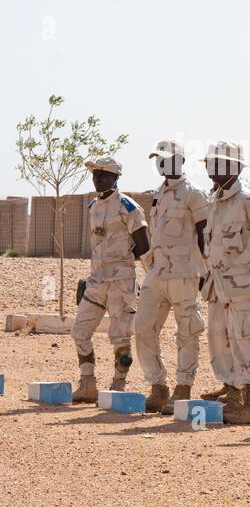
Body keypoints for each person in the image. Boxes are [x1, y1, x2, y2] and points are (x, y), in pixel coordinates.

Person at [200, 141, 250, 425]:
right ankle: (232, 397)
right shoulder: (214, 201)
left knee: (246, 343)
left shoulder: (248, 201)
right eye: (210, 163)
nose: (212, 168)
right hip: (218, 288)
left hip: (245, 290)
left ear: (234, 167)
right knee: (220, 341)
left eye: (219, 163)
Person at [133, 141, 208, 414]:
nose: (161, 164)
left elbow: (204, 235)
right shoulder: (158, 194)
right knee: (142, 328)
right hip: (157, 273)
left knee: (187, 331)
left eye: (166, 159)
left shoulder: (194, 194)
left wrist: (207, 271)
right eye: (158, 159)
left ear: (180, 160)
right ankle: (158, 386)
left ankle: (183, 387)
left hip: (185, 274)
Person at [71, 157, 150, 403]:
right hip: (96, 281)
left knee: (120, 336)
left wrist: (151, 282)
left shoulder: (129, 207)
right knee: (80, 331)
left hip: (121, 282)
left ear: (115, 177)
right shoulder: (93, 206)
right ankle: (87, 384)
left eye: (103, 175)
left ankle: (118, 386)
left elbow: (144, 247)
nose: (97, 179)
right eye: (95, 175)